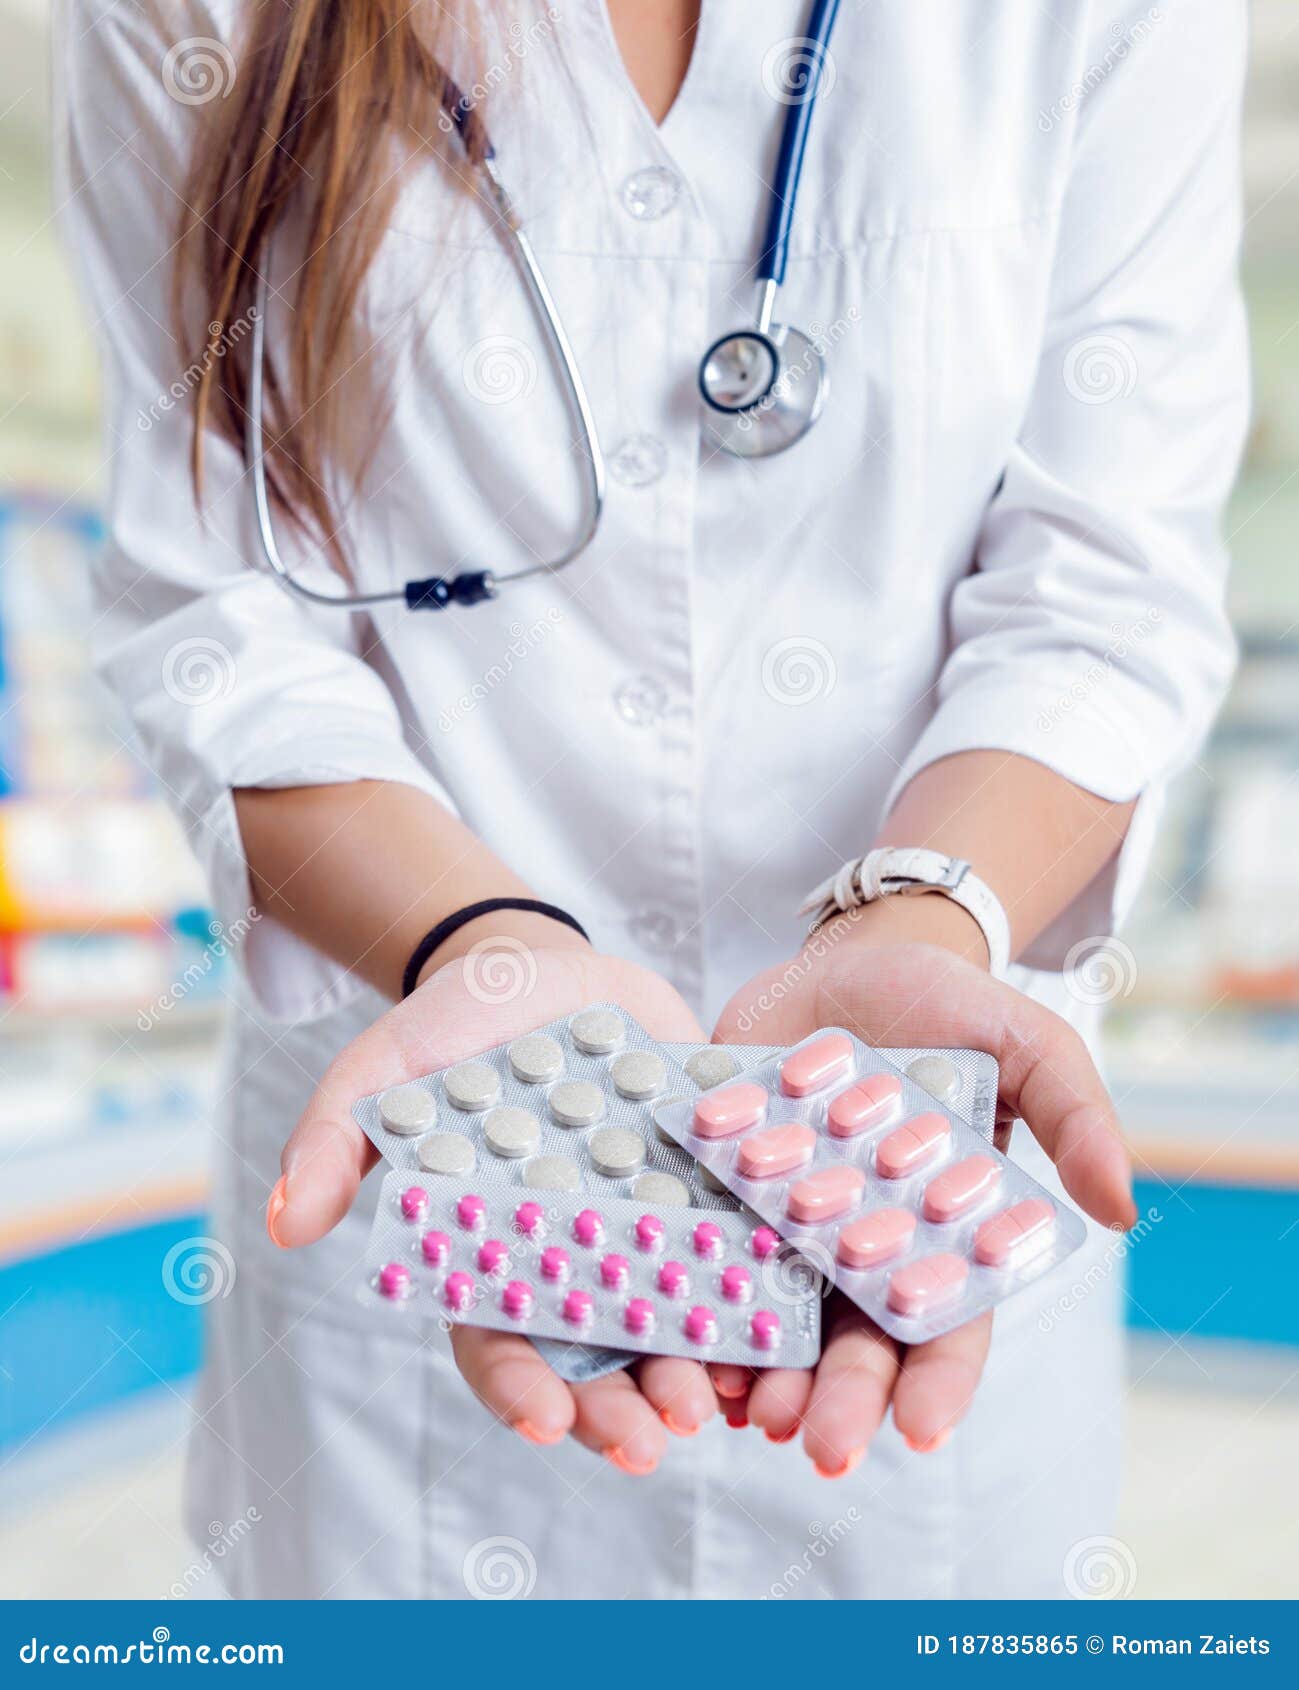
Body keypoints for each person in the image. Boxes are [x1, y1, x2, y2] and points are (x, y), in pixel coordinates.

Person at [57, 0, 1248, 1599]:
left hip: (906, 1186)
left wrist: (923, 918)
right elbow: (212, 602)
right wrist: (480, 937)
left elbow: (1108, 582)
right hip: (427, 1220)